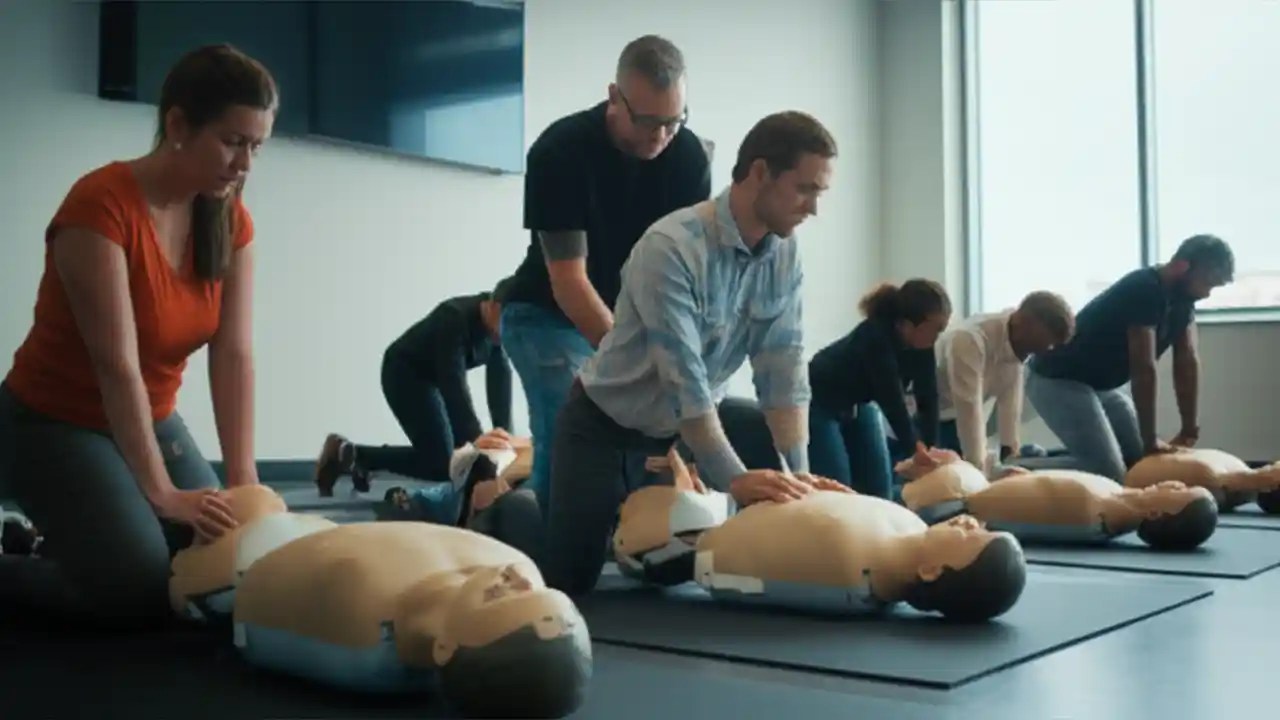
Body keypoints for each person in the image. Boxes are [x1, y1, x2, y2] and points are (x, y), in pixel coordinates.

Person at [0, 45, 276, 628]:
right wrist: (159, 492)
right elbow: (116, 364)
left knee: (217, 559)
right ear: (177, 125)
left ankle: (69, 536)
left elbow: (235, 354)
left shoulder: (229, 217)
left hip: (150, 417)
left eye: (256, 146)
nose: (245, 163)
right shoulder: (99, 206)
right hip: (52, 420)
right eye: (232, 141)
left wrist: (243, 480)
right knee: (141, 583)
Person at [540, 110, 843, 597]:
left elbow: (783, 369)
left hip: (678, 433)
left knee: (665, 572)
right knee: (572, 581)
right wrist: (736, 479)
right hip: (603, 425)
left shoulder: (784, 253)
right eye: (805, 189)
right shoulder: (671, 247)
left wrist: (799, 477)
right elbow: (684, 383)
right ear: (760, 172)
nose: (813, 209)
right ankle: (502, 512)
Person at [499, 35, 712, 509]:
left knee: (649, 437)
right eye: (647, 121)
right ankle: (548, 561)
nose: (660, 135)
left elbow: (685, 277)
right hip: (547, 316)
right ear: (615, 97)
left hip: (630, 318)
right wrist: (634, 362)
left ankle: (637, 540)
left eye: (672, 122)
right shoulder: (560, 151)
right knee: (570, 430)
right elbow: (570, 282)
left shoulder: (689, 158)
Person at [1025, 235, 1234, 481]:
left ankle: (1042, 454)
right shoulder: (1144, 289)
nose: (1207, 294)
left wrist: (1189, 430)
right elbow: (1144, 369)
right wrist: (1150, 439)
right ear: (1183, 266)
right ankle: (1015, 466)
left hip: (1101, 387)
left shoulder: (1183, 300)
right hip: (1057, 380)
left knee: (1139, 465)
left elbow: (1186, 361)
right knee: (1108, 472)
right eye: (1207, 283)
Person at [314, 279, 520, 496]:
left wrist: (506, 438)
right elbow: (453, 385)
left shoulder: (498, 328)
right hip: (403, 373)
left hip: (431, 379)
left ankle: (354, 455)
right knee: (445, 464)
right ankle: (350, 454)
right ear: (494, 307)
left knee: (451, 460)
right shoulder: (453, 319)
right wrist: (476, 441)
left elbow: (500, 380)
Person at [807, 279, 953, 498]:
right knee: (838, 488)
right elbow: (891, 398)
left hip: (858, 403)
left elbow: (928, 395)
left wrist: (931, 448)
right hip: (820, 401)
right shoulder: (875, 336)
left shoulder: (923, 345)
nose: (938, 337)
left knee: (879, 489)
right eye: (936, 330)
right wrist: (915, 447)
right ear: (906, 324)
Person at [934, 291, 1075, 477]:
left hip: (965, 417)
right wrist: (979, 472)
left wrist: (1011, 453)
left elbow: (1010, 402)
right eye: (1038, 345)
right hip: (932, 420)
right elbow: (968, 408)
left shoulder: (1019, 340)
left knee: (1020, 457)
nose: (1046, 350)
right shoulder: (969, 339)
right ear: (1021, 322)